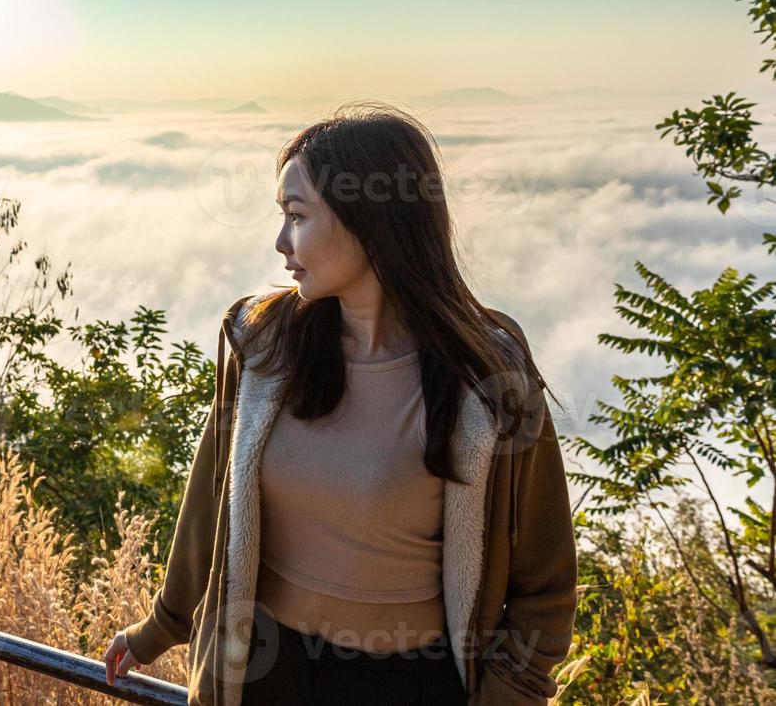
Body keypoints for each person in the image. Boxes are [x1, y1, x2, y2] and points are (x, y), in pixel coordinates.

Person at [100, 103, 578, 706]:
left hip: (411, 684)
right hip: (264, 673)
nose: (280, 242)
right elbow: (209, 508)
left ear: (369, 221)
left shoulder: (488, 379)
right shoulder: (263, 348)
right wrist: (160, 627)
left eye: (296, 216)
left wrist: (509, 695)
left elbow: (546, 586)